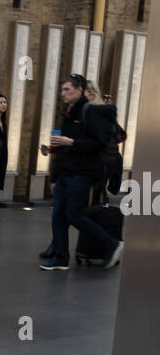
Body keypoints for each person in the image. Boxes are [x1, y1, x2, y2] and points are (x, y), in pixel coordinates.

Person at [39, 74, 124, 271]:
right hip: (66, 173)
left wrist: (73, 142)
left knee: (74, 215)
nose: (63, 94)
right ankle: (60, 258)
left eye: (67, 90)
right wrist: (55, 176)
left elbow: (99, 143)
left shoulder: (90, 112)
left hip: (82, 173)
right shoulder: (68, 113)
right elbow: (62, 148)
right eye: (62, 90)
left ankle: (111, 244)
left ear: (79, 90)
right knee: (58, 216)